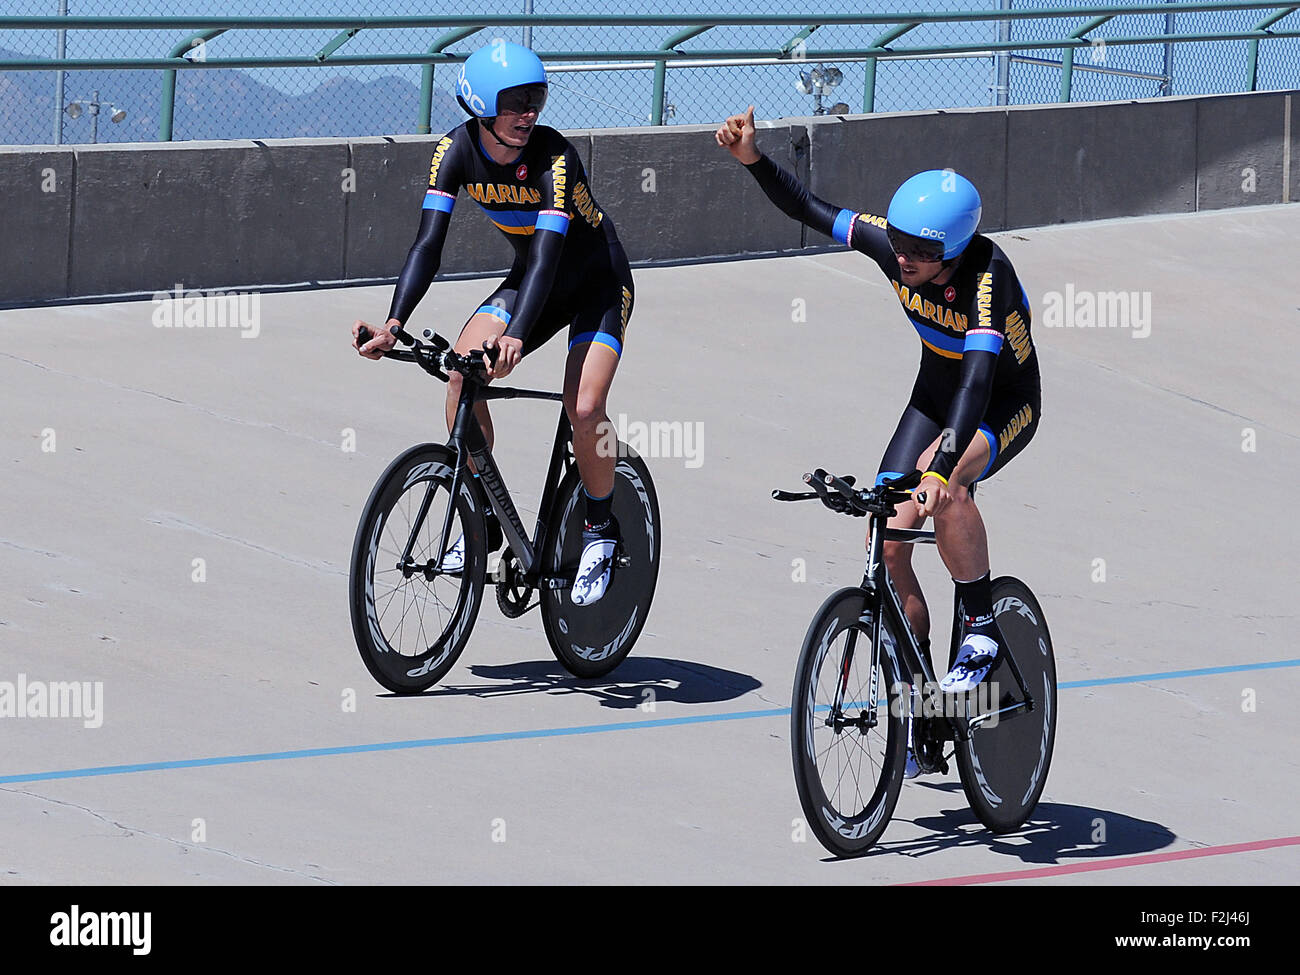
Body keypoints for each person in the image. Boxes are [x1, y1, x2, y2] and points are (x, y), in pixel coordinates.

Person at [717, 106, 1042, 774]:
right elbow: (811, 206)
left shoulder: (988, 279)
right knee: (888, 538)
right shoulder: (892, 244)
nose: (905, 259)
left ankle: (980, 631)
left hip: (1002, 401)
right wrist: (753, 158)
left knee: (940, 484)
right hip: (933, 393)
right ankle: (925, 708)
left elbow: (978, 384)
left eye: (922, 254)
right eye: (900, 243)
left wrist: (942, 467)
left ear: (952, 252)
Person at [353, 42, 635, 606]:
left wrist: (514, 336)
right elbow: (427, 244)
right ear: (481, 106)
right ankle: (479, 515)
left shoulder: (556, 158)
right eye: (517, 101)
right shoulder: (453, 151)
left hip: (598, 283)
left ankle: (601, 530)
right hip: (534, 280)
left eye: (538, 98)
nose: (530, 112)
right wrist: (393, 322)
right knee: (461, 370)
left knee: (582, 407)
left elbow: (550, 255)